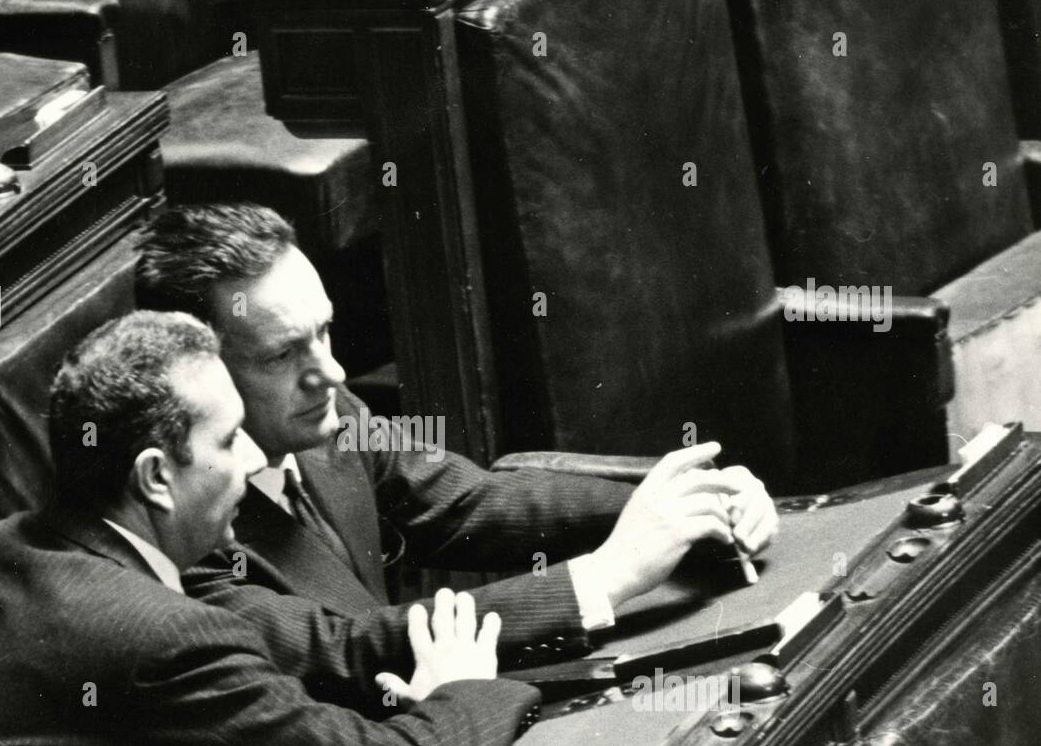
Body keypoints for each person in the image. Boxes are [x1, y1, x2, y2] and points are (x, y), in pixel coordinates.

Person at [0, 310, 539, 746]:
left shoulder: (10, 546)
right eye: (227, 439)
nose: (250, 461)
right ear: (156, 476)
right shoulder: (159, 637)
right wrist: (462, 686)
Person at [134, 203, 780, 668]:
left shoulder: (325, 415)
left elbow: (473, 504)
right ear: (200, 376)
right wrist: (608, 574)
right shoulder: (187, 535)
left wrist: (688, 499)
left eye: (324, 333)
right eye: (283, 357)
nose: (329, 371)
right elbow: (354, 648)